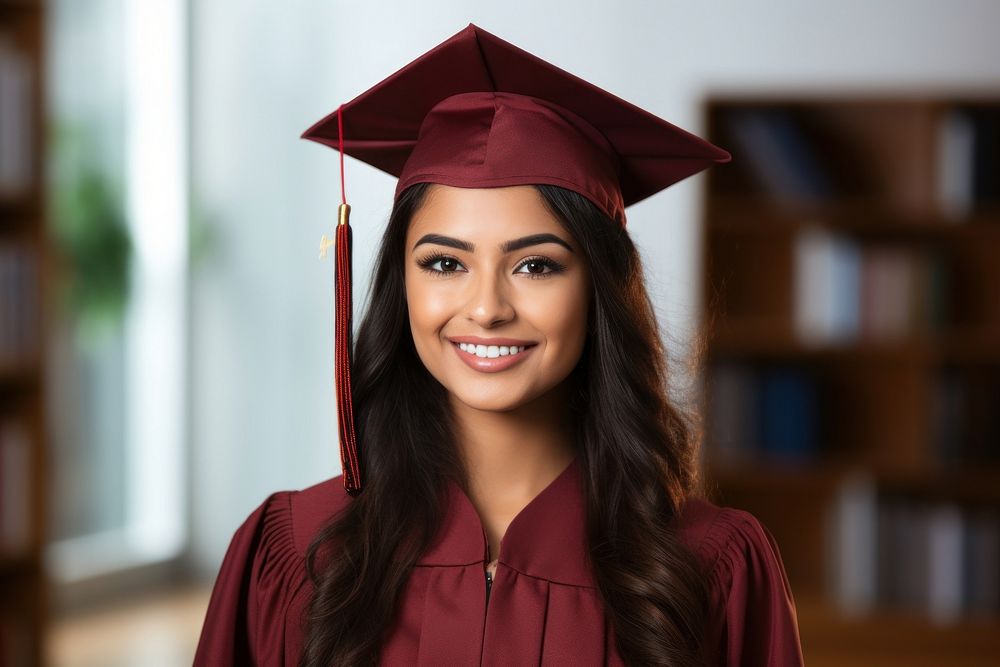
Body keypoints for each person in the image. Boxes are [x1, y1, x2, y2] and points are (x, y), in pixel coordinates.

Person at [193, 23, 805, 667]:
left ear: (600, 289)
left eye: (536, 265)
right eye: (444, 264)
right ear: (400, 286)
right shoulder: (294, 555)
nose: (486, 309)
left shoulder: (712, 566)